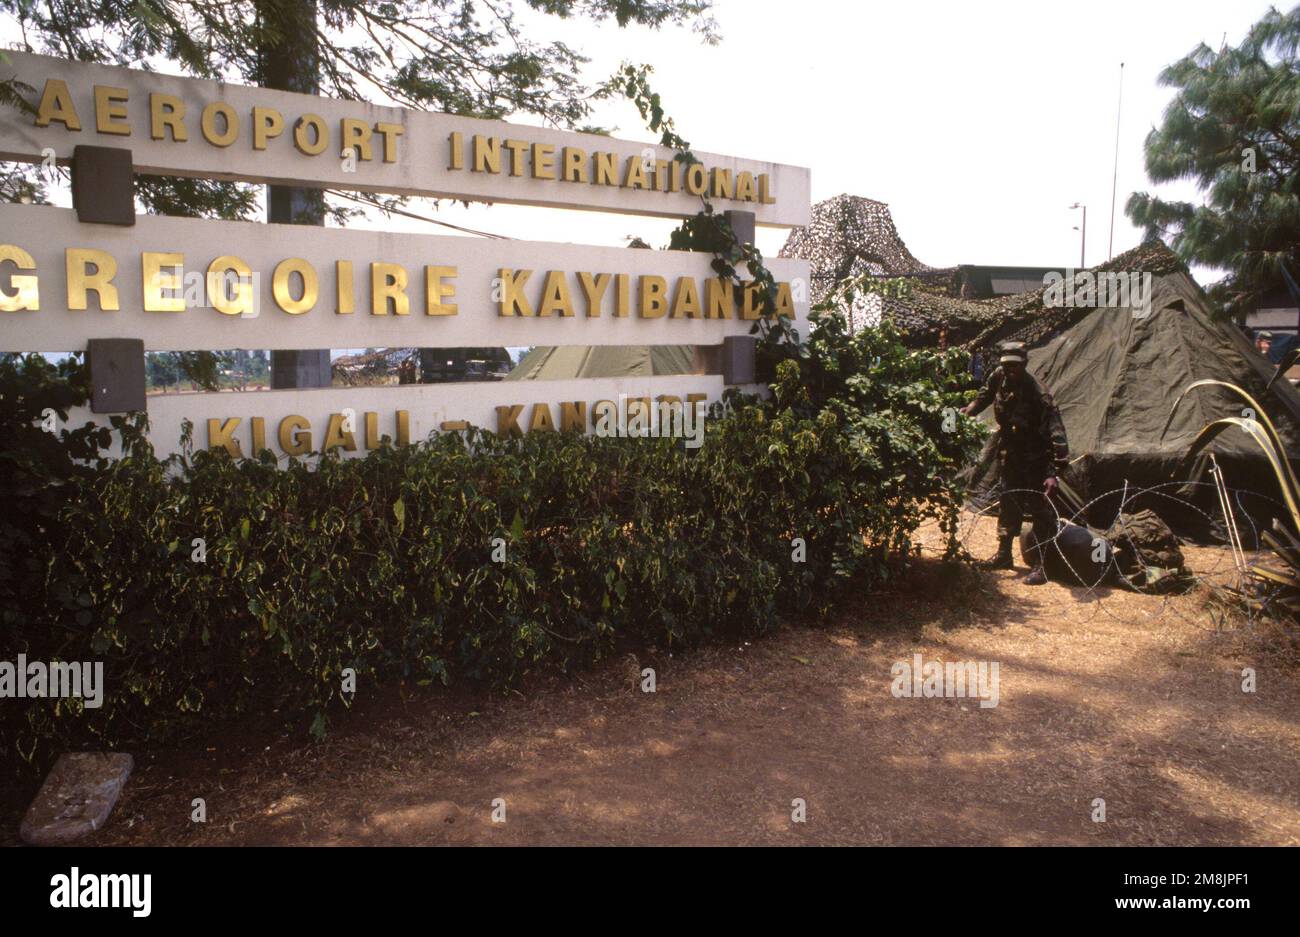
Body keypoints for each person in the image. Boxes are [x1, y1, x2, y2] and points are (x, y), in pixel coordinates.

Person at [961, 342, 1069, 585]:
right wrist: (969, 410)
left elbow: (1057, 435)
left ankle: (1042, 565)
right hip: (1011, 454)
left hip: (1036, 459)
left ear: (1024, 364)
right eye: (1006, 365)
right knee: (1009, 502)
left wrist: (1054, 472)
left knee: (1040, 511)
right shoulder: (998, 377)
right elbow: (984, 396)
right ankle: (1003, 555)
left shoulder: (1038, 394)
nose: (1010, 370)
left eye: (1015, 366)